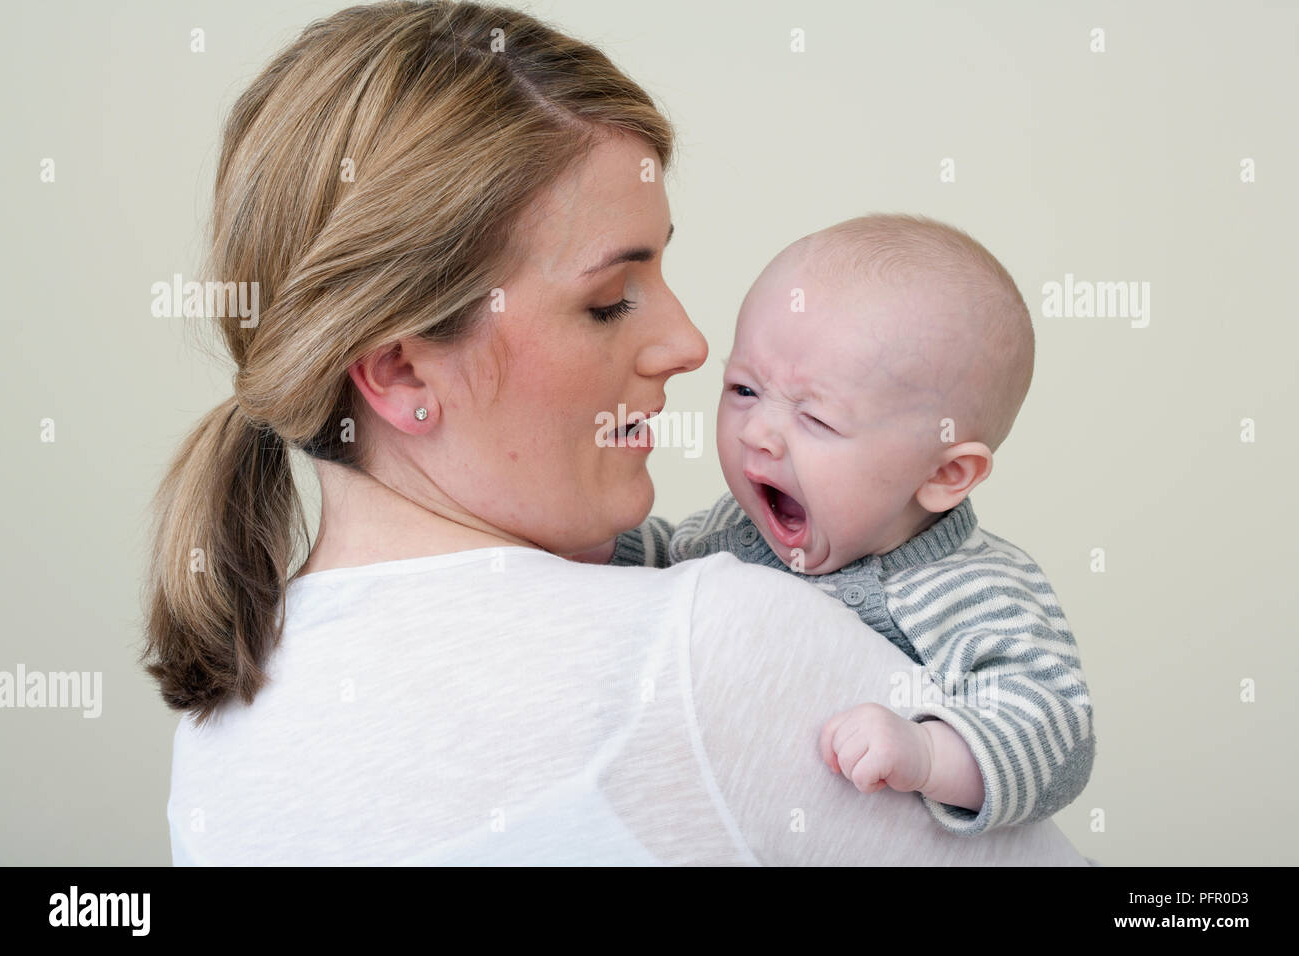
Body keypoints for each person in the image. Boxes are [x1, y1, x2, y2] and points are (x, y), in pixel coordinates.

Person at [143, 0, 1092, 865]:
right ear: (400, 371)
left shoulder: (218, 734)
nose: (687, 344)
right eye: (608, 302)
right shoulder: (704, 648)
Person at [609, 214, 1095, 836]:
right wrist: (583, 538)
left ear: (945, 475)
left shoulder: (977, 590)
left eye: (817, 420)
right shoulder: (738, 530)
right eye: (744, 390)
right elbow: (664, 561)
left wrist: (928, 754)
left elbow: (1056, 732)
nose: (758, 433)